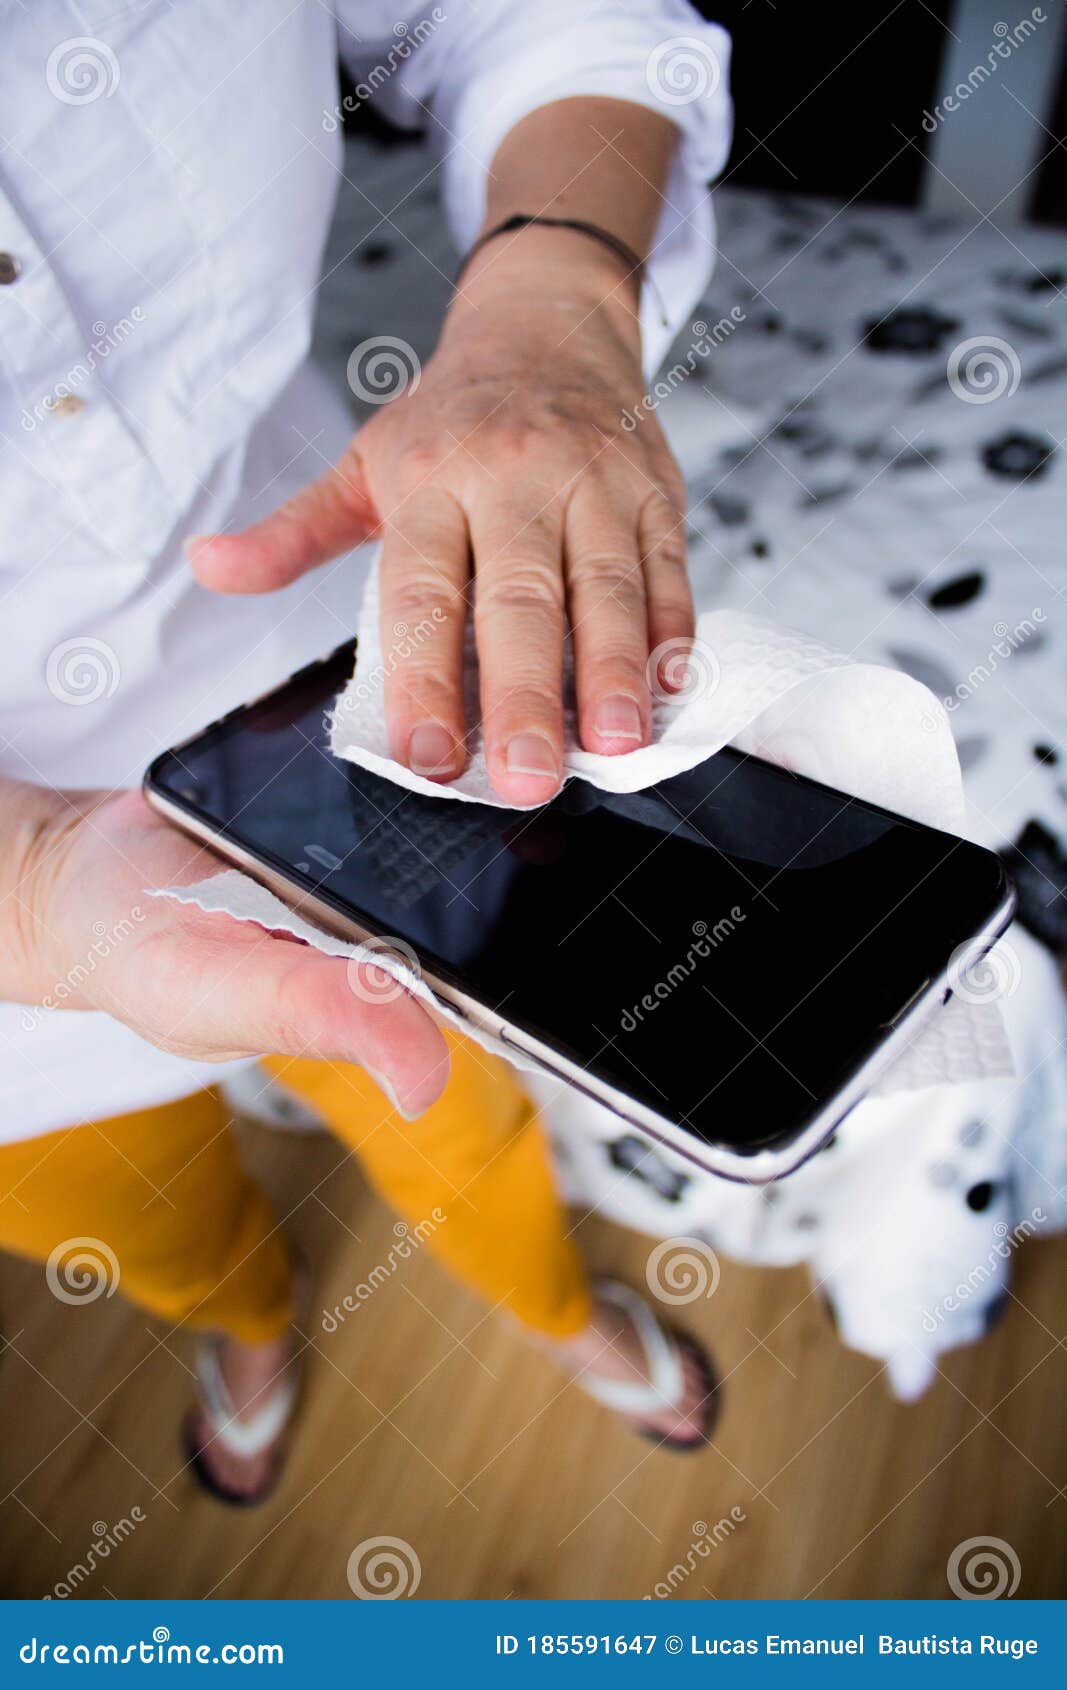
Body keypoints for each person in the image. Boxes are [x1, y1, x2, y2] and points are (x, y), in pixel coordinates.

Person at [1, 1, 731, 1501]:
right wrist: (34, 880)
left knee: (461, 1122)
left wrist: (554, 295)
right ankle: (253, 1324)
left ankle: (551, 1307)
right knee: (143, 1228)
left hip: (327, 714)